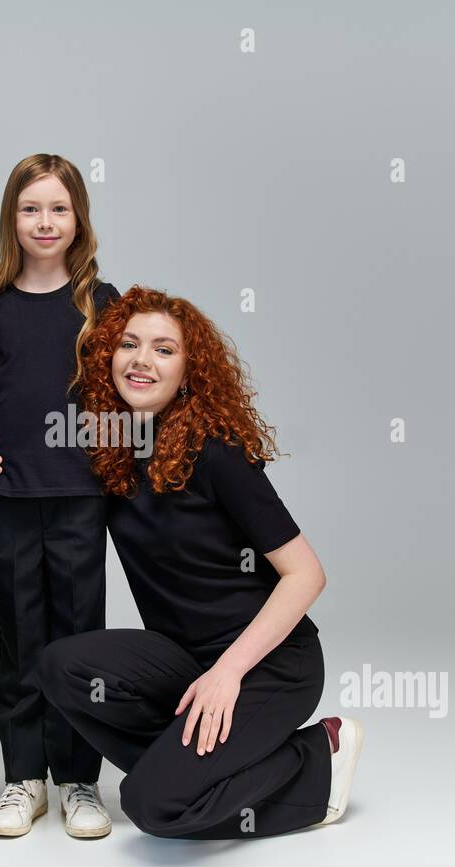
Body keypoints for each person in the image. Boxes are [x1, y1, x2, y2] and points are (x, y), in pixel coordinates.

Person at [30, 285, 364, 838]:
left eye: (164, 349)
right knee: (60, 666)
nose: (141, 360)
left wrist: (228, 673)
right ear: (108, 356)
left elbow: (306, 574)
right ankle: (193, 769)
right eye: (129, 344)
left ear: (189, 371)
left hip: (268, 664)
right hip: (184, 661)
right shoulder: (111, 449)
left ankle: (316, 756)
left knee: (152, 807)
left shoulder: (216, 451)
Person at [0, 154, 120, 838]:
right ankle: (24, 777)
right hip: (10, 496)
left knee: (79, 639)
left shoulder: (103, 304)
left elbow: (143, 388)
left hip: (83, 496)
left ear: (78, 216)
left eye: (58, 208)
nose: (45, 222)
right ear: (11, 219)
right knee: (23, 637)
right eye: (31, 209)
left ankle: (79, 780)